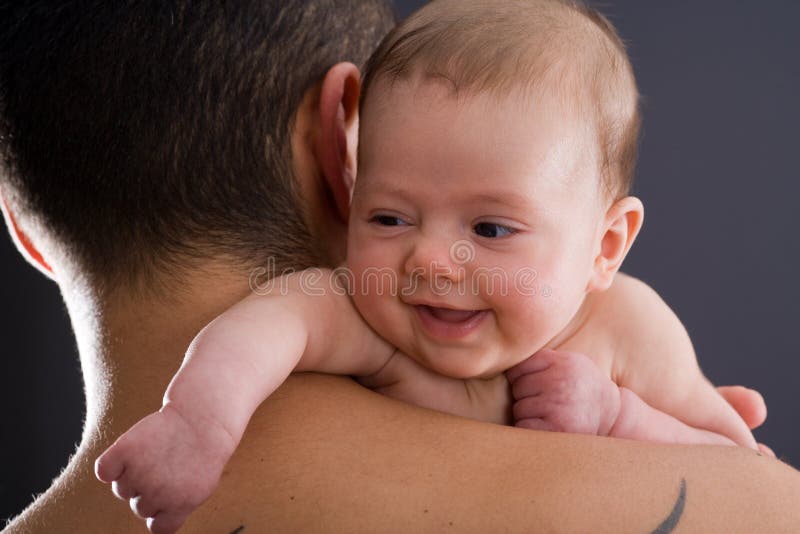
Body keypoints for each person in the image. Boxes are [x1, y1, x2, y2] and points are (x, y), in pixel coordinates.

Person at [2, 1, 799, 533]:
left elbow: (721, 444)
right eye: (391, 218)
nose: (429, 259)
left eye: (491, 226)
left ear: (605, 248)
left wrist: (625, 418)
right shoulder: (362, 307)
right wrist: (196, 426)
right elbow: (264, 329)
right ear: (344, 148)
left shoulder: (628, 324)